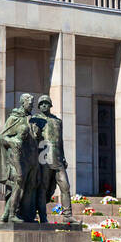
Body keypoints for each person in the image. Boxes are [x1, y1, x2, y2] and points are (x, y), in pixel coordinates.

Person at [33, 94, 73, 224]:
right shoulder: (35, 120)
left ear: (50, 105)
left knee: (65, 186)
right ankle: (42, 216)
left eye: (46, 103)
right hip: (43, 157)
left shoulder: (57, 121)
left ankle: (67, 215)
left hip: (57, 158)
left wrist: (64, 157)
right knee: (43, 188)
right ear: (39, 106)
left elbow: (60, 141)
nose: (44, 105)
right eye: (42, 104)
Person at [0, 94, 38, 224]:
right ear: (23, 103)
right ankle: (11, 214)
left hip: (30, 159)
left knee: (27, 188)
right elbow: (2, 137)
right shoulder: (14, 118)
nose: (31, 105)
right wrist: (13, 142)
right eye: (30, 103)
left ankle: (19, 214)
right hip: (18, 159)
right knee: (18, 186)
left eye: (32, 104)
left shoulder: (31, 119)